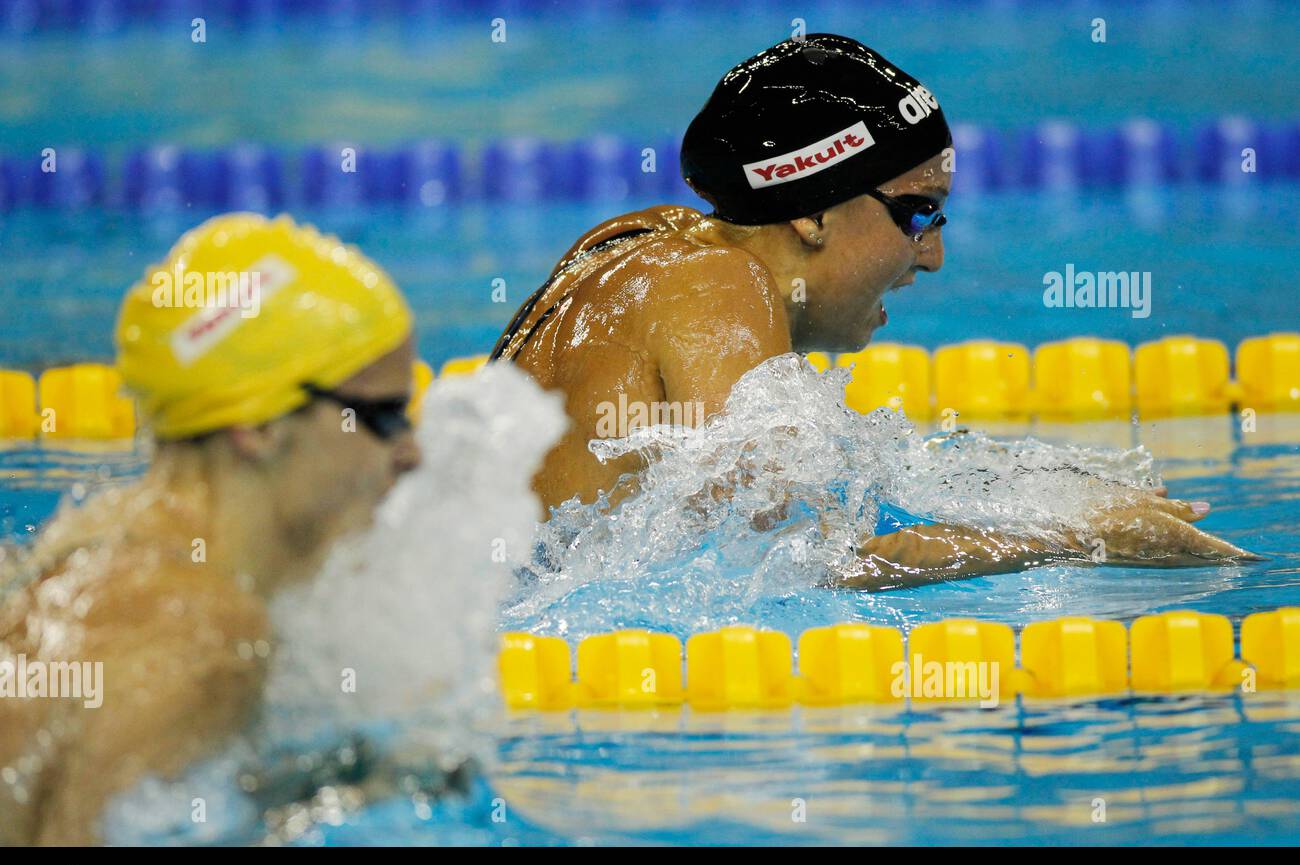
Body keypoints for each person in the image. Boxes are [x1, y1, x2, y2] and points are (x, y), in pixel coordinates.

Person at [491, 33, 1255, 584]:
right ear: (811, 212)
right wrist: (1068, 536)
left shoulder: (644, 242)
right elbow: (790, 563)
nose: (933, 254)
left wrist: (1032, 490)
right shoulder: (718, 286)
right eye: (917, 213)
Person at [0, 214, 420, 844]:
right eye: (383, 416)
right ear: (258, 426)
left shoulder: (100, 537)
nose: (412, 452)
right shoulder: (207, 637)